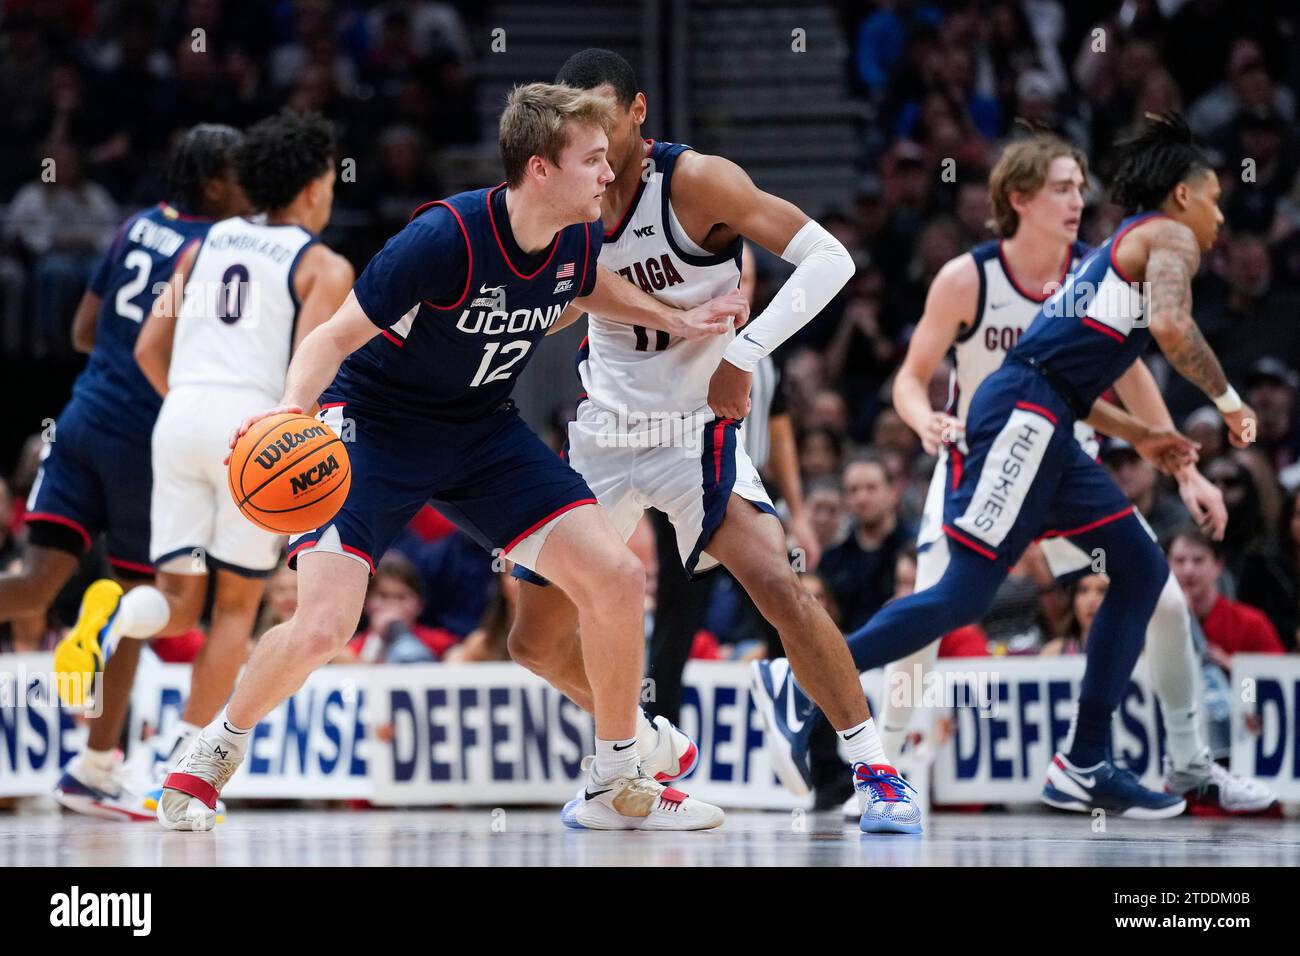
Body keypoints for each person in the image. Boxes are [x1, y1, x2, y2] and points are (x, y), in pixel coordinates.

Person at [147, 82, 745, 832]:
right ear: (539, 169)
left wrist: (675, 317)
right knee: (326, 624)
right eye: (592, 158)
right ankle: (210, 756)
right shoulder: (442, 239)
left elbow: (583, 287)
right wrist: (287, 416)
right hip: (375, 427)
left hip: (481, 431)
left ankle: (617, 778)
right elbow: (331, 338)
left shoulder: (580, 235)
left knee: (619, 577)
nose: (607, 172)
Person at [758, 114, 1263, 818]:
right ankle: (802, 680)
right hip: (1016, 426)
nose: (1218, 217)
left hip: (1052, 421)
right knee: (960, 600)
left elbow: (1070, 376)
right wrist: (1231, 403)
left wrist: (1153, 441)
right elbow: (1171, 330)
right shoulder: (1163, 238)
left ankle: (1086, 758)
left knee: (1146, 572)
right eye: (1212, 199)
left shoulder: (1100, 257)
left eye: (1080, 187)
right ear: (1181, 197)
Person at [502, 50, 921, 834]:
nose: (592, 134)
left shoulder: (696, 183)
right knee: (532, 641)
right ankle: (644, 744)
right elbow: (561, 305)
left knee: (779, 584)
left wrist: (744, 352)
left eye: (602, 115)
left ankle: (877, 769)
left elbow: (829, 259)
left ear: (636, 111)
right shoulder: (569, 195)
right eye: (576, 121)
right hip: (603, 433)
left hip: (693, 432)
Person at [57, 111, 355, 817]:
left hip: (178, 418)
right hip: (253, 433)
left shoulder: (201, 245)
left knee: (177, 598)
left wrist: (189, 408)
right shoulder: (325, 266)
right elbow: (308, 375)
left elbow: (146, 348)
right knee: (233, 610)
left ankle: (110, 620)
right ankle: (182, 772)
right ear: (314, 187)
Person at [0, 125, 249, 820]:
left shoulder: (137, 225)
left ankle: (94, 764)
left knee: (30, 585)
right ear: (212, 184)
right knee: (143, 603)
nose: (251, 188)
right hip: (146, 442)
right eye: (240, 176)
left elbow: (83, 331)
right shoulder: (215, 250)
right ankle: (98, 761)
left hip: (80, 421)